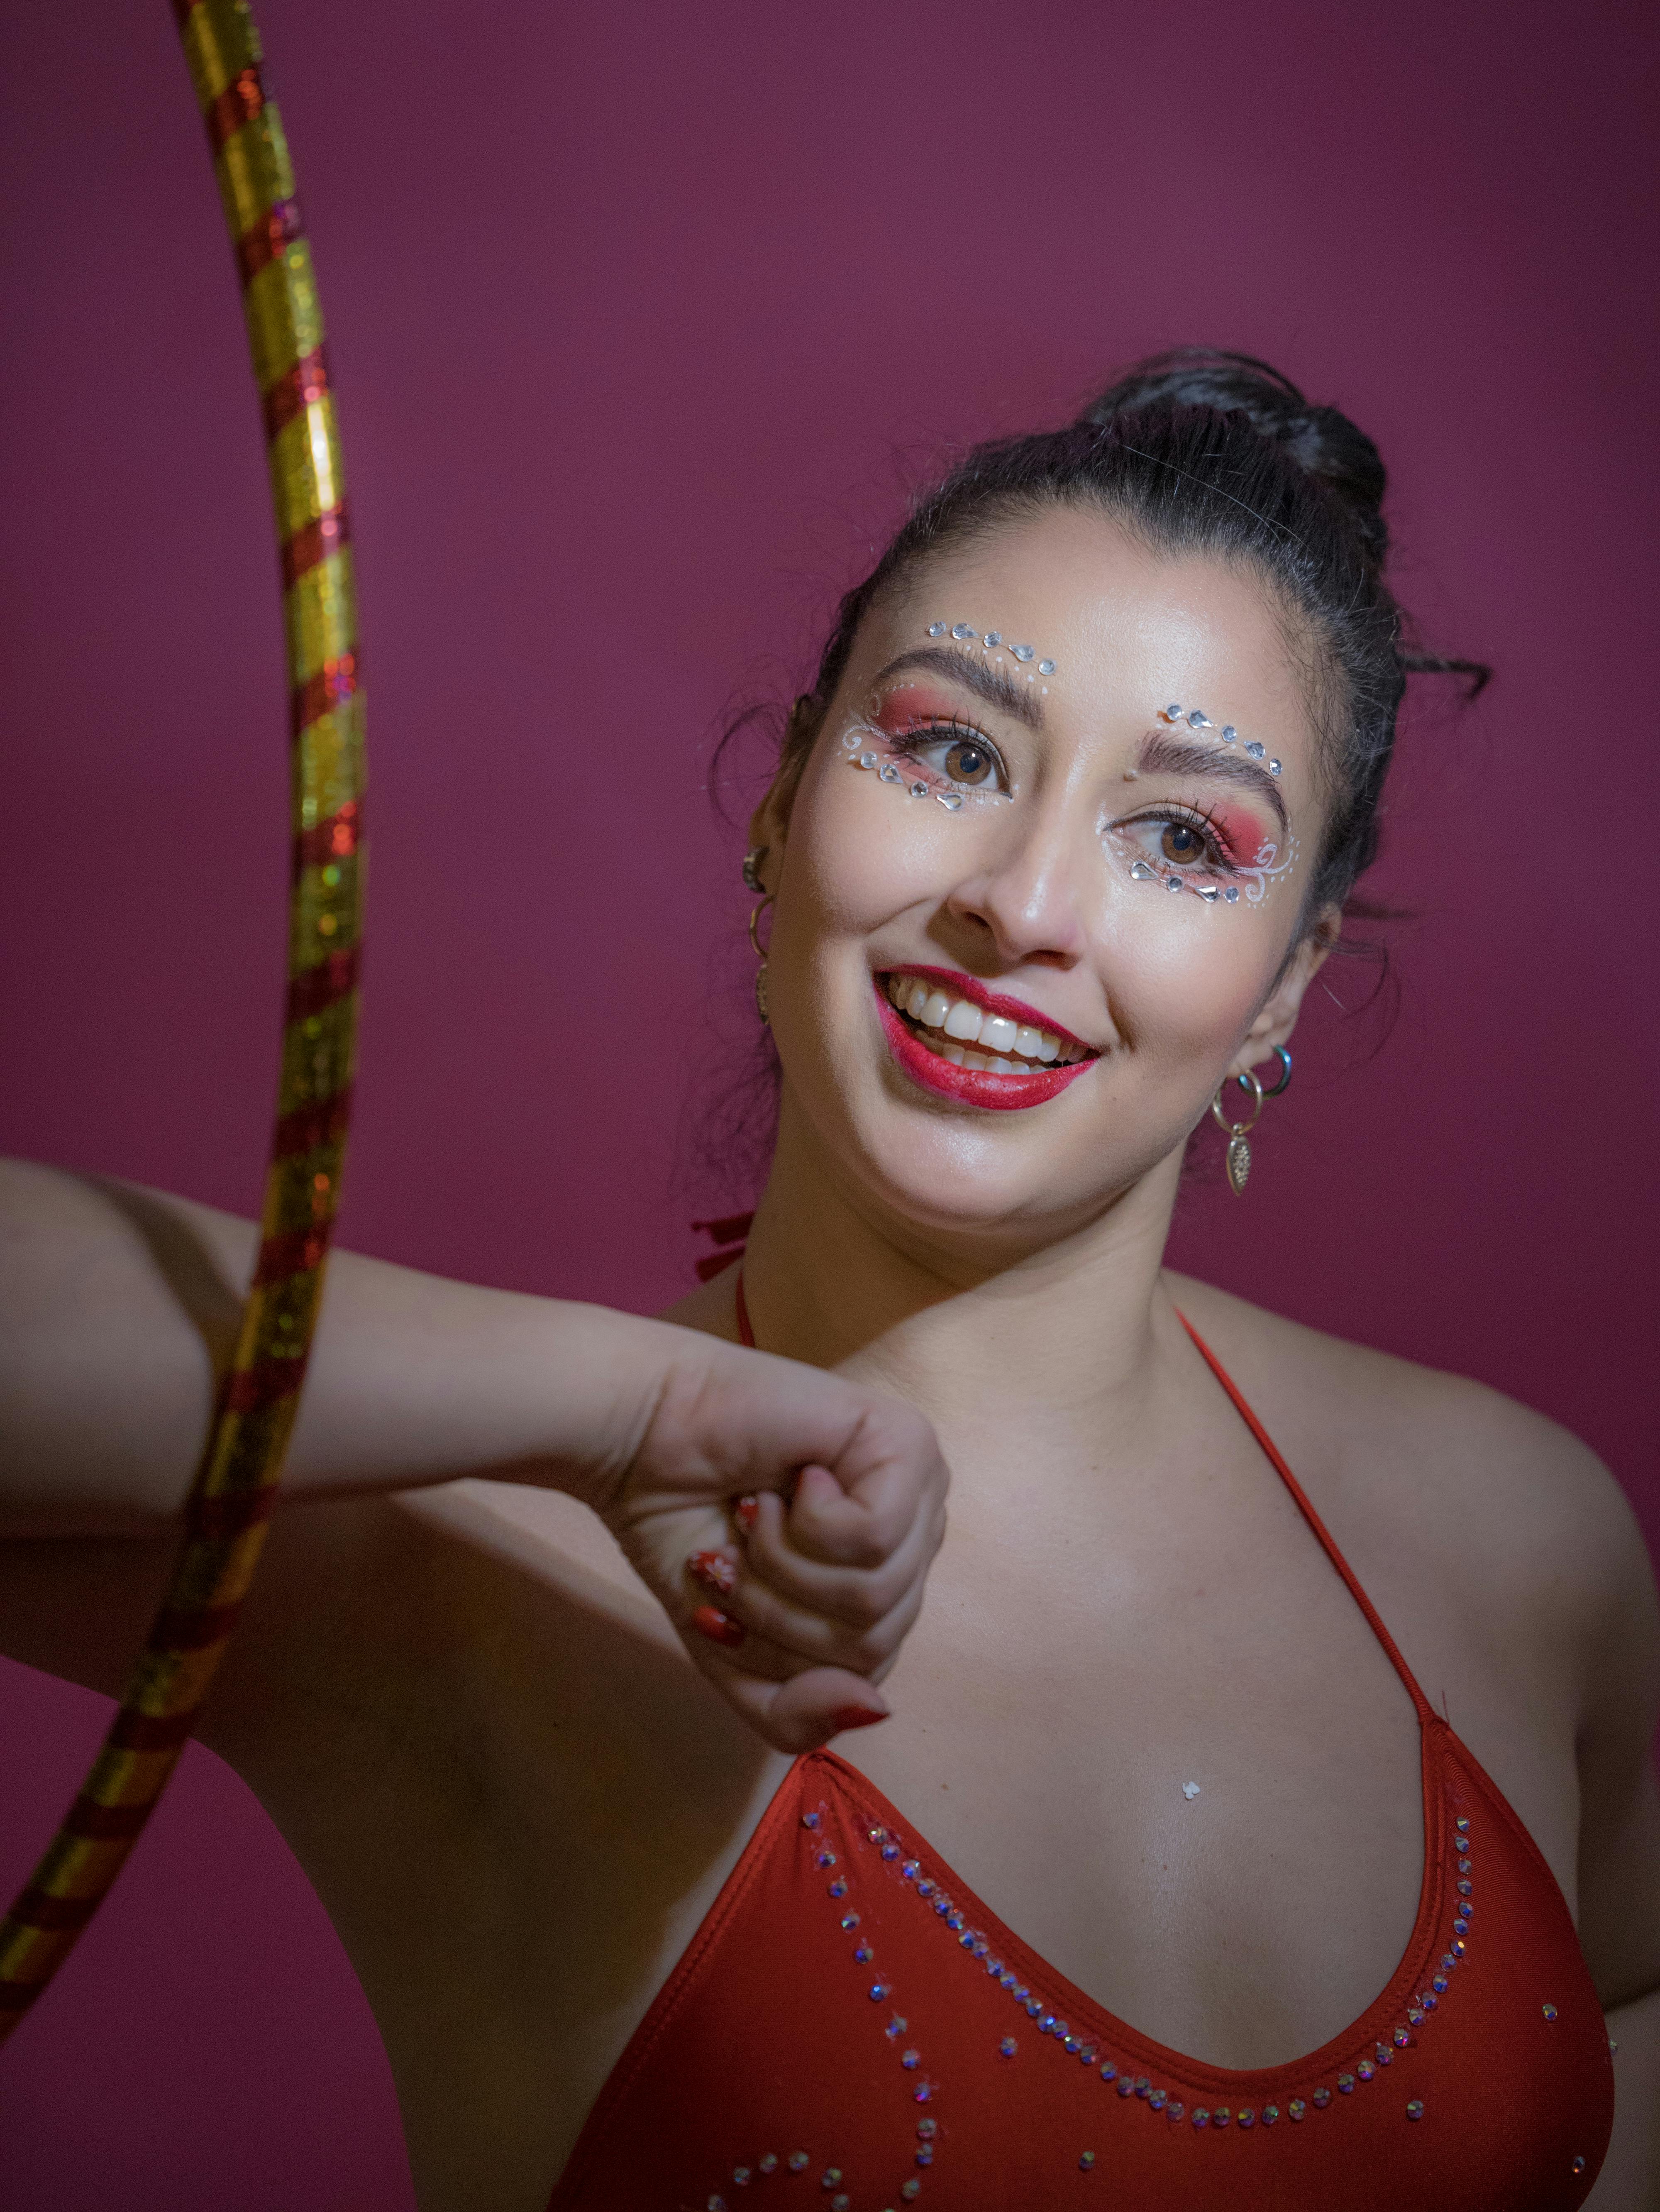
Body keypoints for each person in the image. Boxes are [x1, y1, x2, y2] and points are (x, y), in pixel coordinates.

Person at [3, 353, 1655, 2212]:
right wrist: (633, 1408)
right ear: (785, 798)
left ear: (1283, 983)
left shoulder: (1516, 1537)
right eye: (953, 753)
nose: (1024, 904)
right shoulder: (473, 1573)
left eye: (1184, 836)